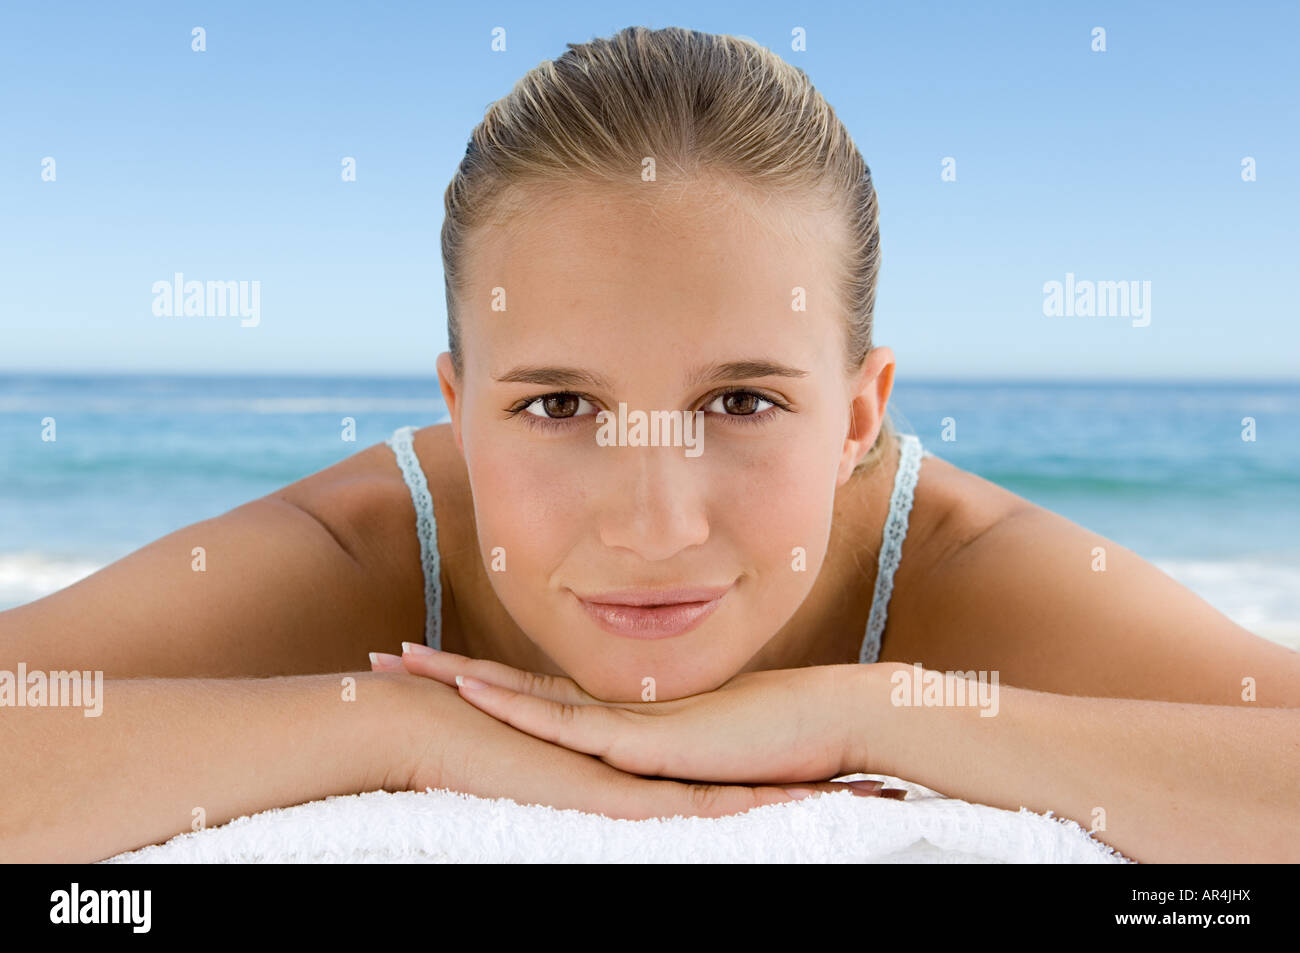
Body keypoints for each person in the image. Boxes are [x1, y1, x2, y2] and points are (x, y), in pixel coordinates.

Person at [2, 26, 1296, 864]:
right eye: (558, 406)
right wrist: (393, 729)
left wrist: (871, 710)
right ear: (458, 410)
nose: (652, 522)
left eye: (741, 402)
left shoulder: (957, 566)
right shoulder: (366, 548)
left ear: (860, 413)